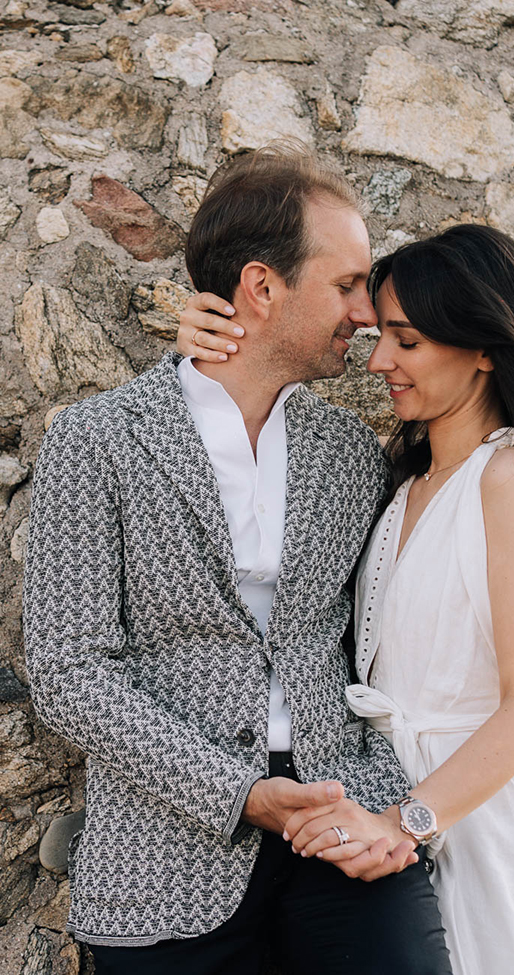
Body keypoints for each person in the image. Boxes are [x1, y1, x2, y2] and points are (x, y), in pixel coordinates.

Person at [23, 145, 454, 975]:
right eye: (346, 284)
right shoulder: (97, 440)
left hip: (345, 822)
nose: (366, 312)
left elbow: (403, 626)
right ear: (262, 287)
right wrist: (238, 791)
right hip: (163, 850)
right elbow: (68, 670)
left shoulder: (351, 454)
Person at [179, 218, 514, 972]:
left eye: (408, 341)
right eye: (382, 334)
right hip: (384, 799)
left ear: (486, 346)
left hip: (473, 824)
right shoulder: (403, 481)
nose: (378, 359)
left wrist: (408, 821)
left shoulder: (510, 480)